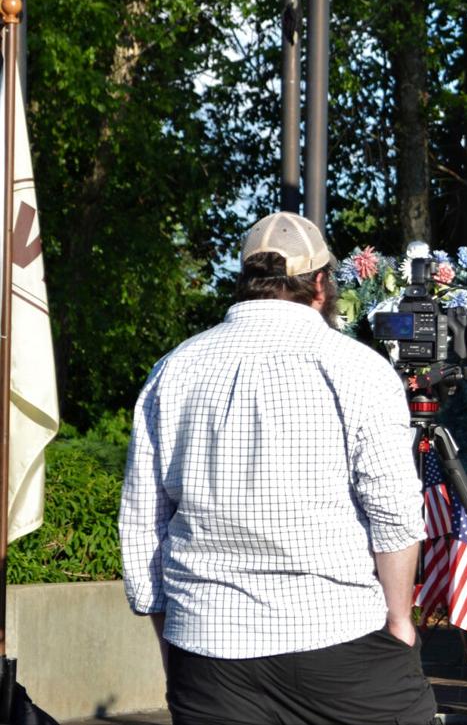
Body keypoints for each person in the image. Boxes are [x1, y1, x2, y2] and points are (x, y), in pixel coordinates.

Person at [119, 212, 436, 725]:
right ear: (321, 284)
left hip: (207, 646)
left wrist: (173, 642)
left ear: (247, 279)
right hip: (338, 636)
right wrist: (400, 619)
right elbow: (395, 513)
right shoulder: (357, 367)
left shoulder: (175, 368)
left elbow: (142, 522)